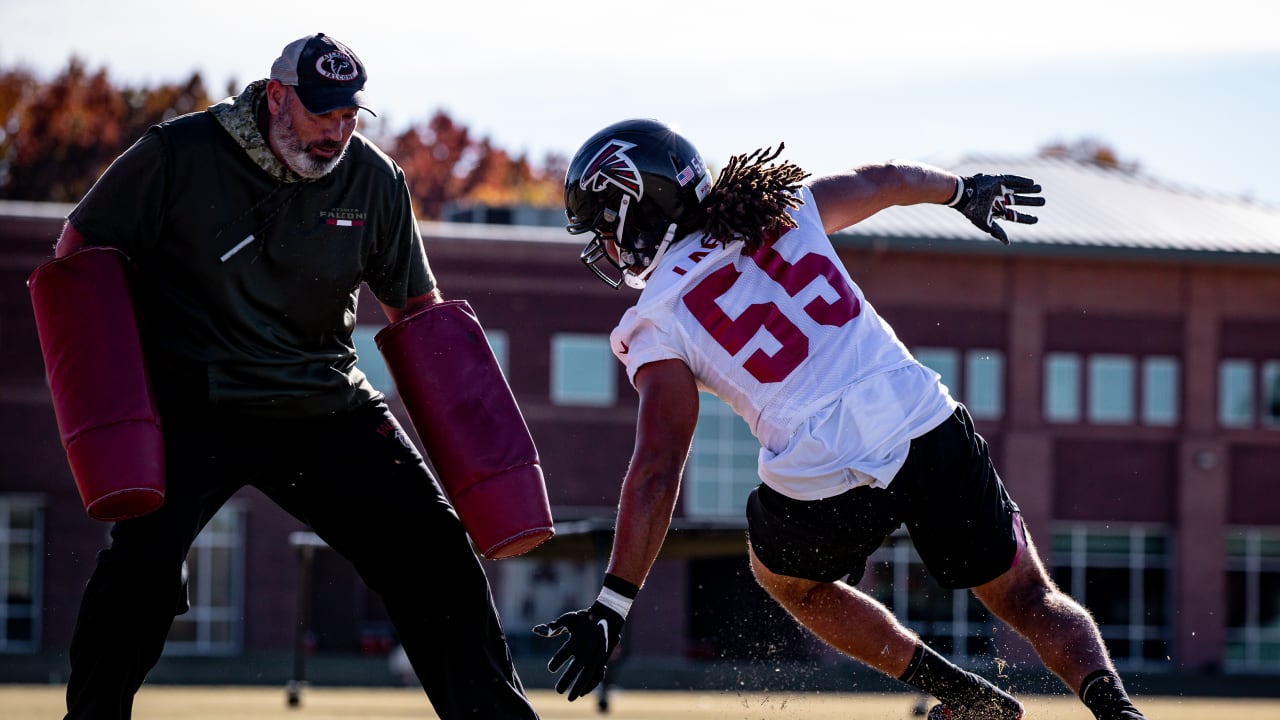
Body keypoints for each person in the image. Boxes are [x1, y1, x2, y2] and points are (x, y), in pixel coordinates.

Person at [533, 118, 1146, 720]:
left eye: (603, 227)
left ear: (635, 208)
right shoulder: (781, 209)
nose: (604, 245)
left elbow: (658, 468)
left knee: (786, 580)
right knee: (1029, 595)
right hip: (919, 415)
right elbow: (884, 179)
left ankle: (969, 698)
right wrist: (962, 191)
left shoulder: (655, 316)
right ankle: (1116, 709)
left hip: (821, 463)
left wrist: (613, 603)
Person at [50, 34, 539, 720]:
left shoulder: (375, 179)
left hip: (323, 406)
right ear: (277, 97)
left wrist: (485, 461)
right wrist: (113, 401)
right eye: (322, 114)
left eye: (349, 117)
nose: (336, 133)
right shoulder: (177, 154)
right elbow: (76, 255)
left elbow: (417, 313)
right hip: (196, 405)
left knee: (435, 547)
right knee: (142, 568)